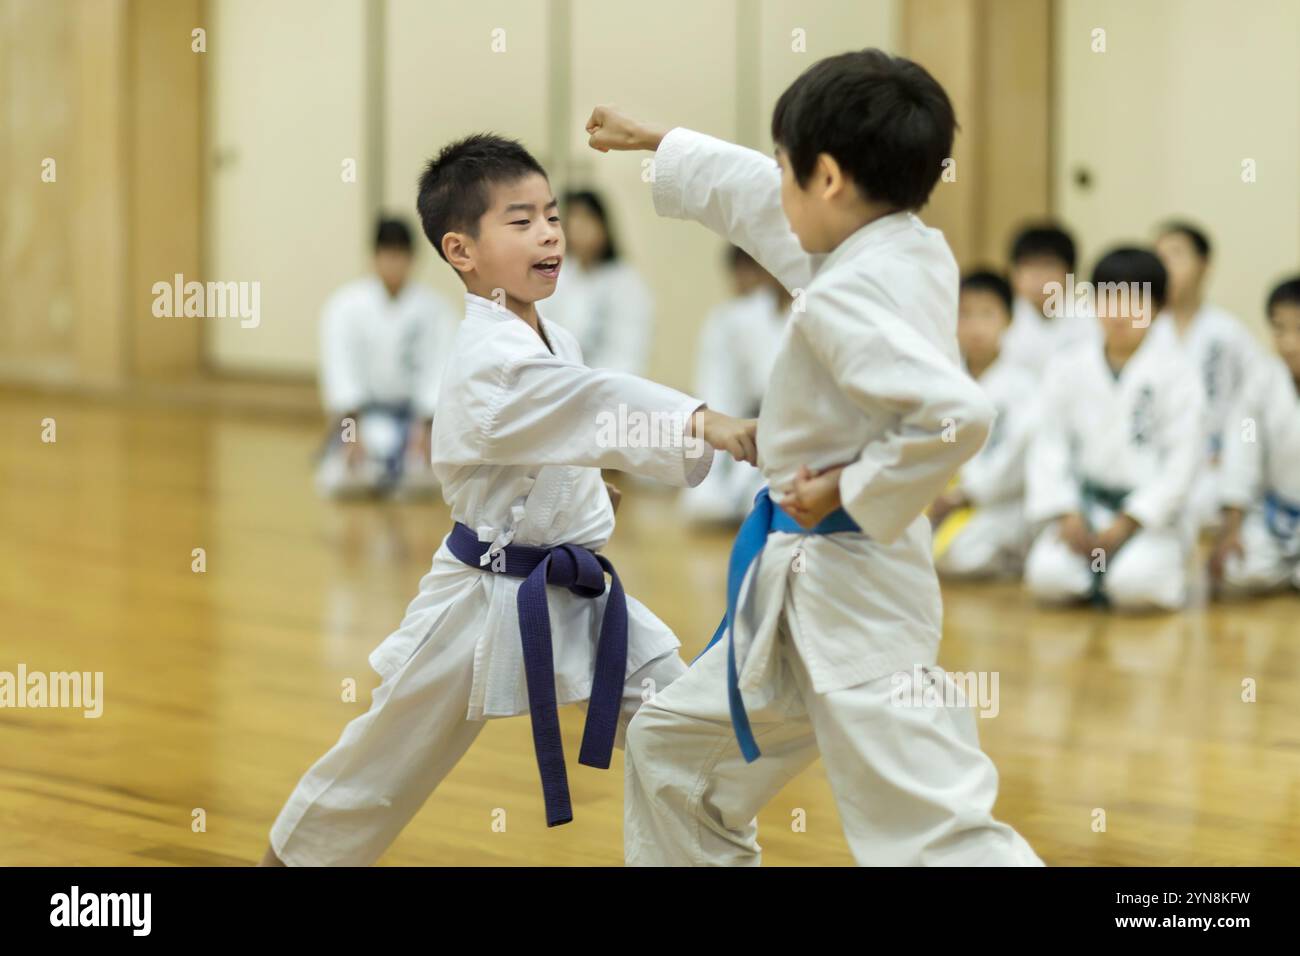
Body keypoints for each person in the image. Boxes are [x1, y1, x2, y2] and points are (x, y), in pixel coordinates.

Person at [587, 48, 1042, 867]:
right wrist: (666, 143)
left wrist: (847, 489)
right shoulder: (901, 248)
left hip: (854, 601)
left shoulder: (848, 288)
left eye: (786, 166)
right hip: (794, 600)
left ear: (827, 179)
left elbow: (958, 415)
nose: (778, 185)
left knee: (937, 836)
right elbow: (777, 208)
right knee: (673, 753)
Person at [261, 133, 757, 865]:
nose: (550, 232)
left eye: (552, 215)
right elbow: (590, 404)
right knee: (375, 771)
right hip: (480, 597)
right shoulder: (491, 358)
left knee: (686, 731)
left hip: (575, 593)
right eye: (521, 221)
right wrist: (704, 421)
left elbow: (566, 423)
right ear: (461, 251)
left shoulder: (549, 333)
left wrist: (582, 502)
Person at [1023, 248, 1204, 612]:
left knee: (1135, 587)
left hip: (1146, 519)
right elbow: (1048, 445)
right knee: (1048, 578)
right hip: (1087, 510)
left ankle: (1126, 570)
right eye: (1109, 298)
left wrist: (1127, 523)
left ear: (1160, 306)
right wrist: (1067, 512)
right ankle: (1094, 571)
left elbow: (1181, 464)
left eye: (1135, 300)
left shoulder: (1179, 374)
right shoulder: (1067, 366)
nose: (1120, 312)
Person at [315, 217, 454, 498]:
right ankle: (373, 468)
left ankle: (401, 469)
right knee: (340, 479)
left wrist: (426, 429)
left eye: (400, 256)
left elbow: (440, 371)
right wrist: (351, 432)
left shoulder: (436, 310)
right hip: (363, 419)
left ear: (413, 259)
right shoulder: (344, 307)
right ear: (374, 257)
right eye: (387, 255)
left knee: (426, 479)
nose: (394, 264)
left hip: (414, 422)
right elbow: (341, 372)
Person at [1150, 221, 1262, 529]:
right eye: (1158, 256)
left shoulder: (1229, 333)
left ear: (1204, 264)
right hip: (1156, 461)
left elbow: (1254, 401)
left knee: (1210, 504)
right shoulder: (1142, 331)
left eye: (1176, 254)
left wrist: (1233, 450)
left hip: (1213, 462)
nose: (1166, 265)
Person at [931, 270, 1038, 578]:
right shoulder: (943, 378)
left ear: (1008, 319)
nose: (976, 327)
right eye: (965, 315)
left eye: (987, 314)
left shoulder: (1024, 387)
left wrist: (964, 494)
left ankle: (1014, 558)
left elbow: (1014, 457)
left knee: (963, 554)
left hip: (997, 502)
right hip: (941, 497)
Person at [680, 246, 791, 525]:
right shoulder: (736, 316)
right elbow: (718, 389)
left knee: (770, 499)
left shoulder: (818, 311)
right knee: (705, 503)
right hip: (748, 426)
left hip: (796, 436)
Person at [1210, 276, 1300, 595]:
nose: (1289, 343)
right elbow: (1243, 446)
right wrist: (1230, 528)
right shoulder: (1261, 381)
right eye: (1279, 329)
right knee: (1236, 570)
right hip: (1278, 512)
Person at [541, 189, 654, 375]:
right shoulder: (559, 274)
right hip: (559, 383)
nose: (578, 230)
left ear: (603, 226)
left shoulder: (625, 283)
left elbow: (630, 350)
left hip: (609, 388)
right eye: (572, 222)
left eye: (585, 220)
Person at [1001, 223, 1096, 376]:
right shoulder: (1001, 316)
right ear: (1013, 272)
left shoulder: (1089, 316)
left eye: (1049, 266)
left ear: (1069, 272)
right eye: (1029, 266)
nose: (1038, 277)